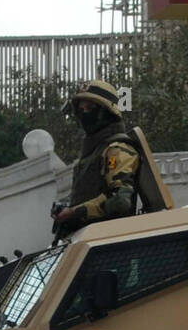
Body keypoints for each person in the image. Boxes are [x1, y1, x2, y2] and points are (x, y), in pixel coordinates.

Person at [52, 80, 139, 238]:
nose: (85, 114)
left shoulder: (116, 150)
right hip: (87, 241)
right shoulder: (93, 153)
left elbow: (120, 201)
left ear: (107, 112)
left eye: (91, 108)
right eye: (81, 109)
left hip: (108, 243)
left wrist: (75, 212)